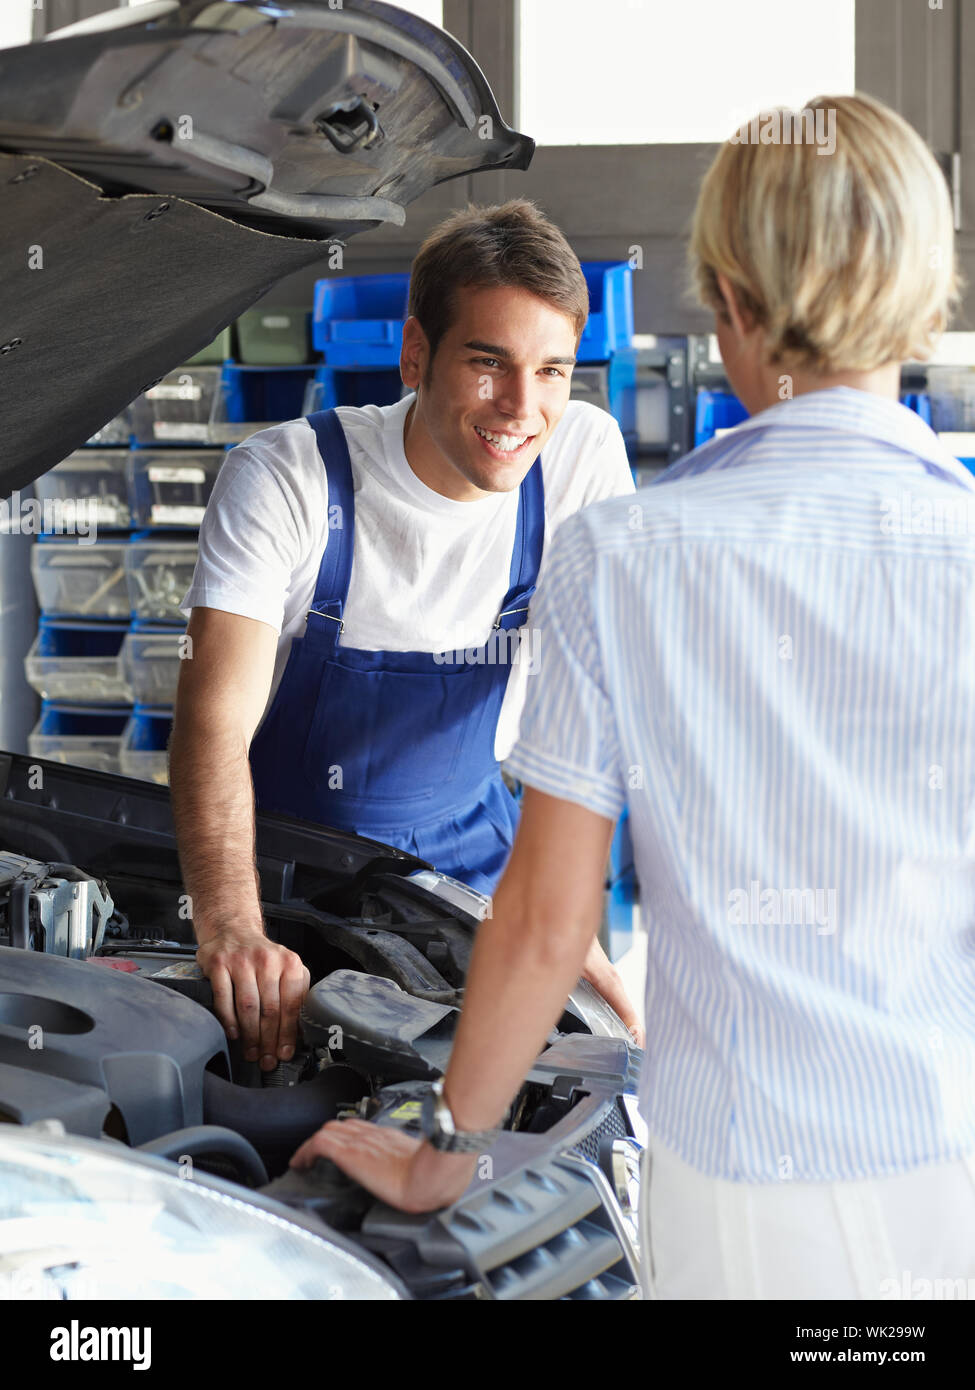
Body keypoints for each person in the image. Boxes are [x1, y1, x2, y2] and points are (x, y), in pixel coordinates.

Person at [291, 94, 975, 1300]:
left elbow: (548, 922)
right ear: (928, 289)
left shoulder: (630, 553)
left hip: (740, 1197)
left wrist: (447, 1154)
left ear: (728, 304)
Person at [169, 201, 640, 1072]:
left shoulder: (579, 457)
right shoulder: (287, 479)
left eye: (551, 370)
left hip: (475, 855)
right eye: (488, 363)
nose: (522, 407)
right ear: (415, 353)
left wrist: (558, 912)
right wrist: (232, 930)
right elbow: (211, 724)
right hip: (281, 866)